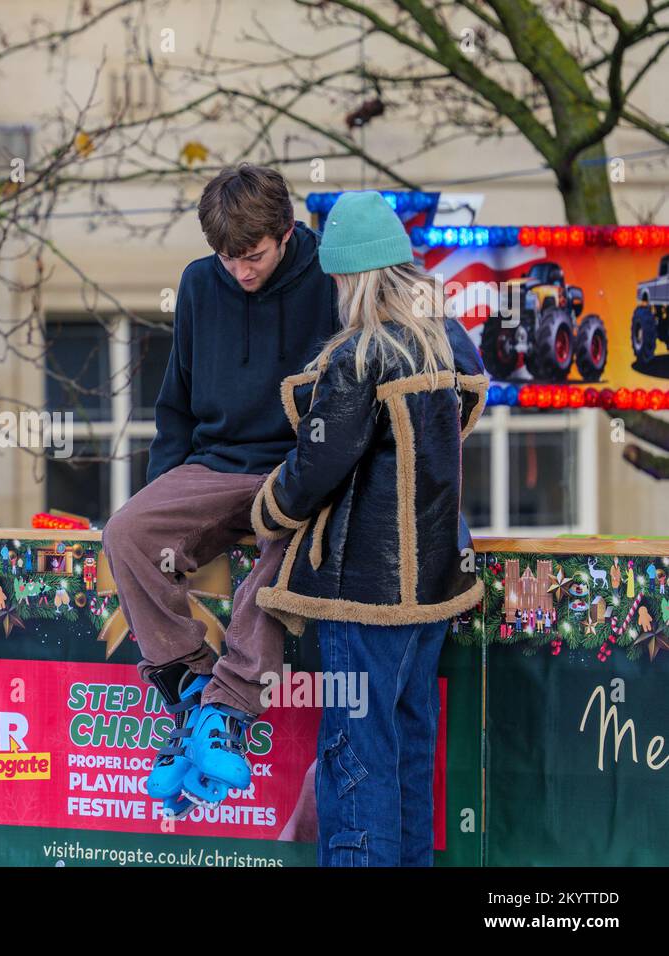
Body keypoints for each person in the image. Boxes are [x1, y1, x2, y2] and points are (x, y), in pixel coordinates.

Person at [251, 189, 489, 866]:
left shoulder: (362, 355)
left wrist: (265, 509)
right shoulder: (447, 341)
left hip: (365, 591)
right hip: (435, 587)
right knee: (410, 751)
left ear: (350, 277)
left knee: (356, 761)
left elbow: (317, 464)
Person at [101, 164, 340, 812]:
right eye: (227, 258)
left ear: (286, 232)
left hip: (294, 468)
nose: (240, 270)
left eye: (253, 256)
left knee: (281, 552)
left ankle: (227, 714)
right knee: (126, 531)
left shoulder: (330, 279)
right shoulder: (199, 285)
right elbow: (174, 404)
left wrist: (315, 474)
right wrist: (165, 499)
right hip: (212, 467)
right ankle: (187, 692)